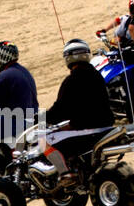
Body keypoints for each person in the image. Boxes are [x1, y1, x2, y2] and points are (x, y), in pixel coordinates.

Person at [41, 38, 115, 168]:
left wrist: (39, 118)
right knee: (62, 130)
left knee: (43, 141)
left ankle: (65, 174)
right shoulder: (96, 75)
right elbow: (84, 107)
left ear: (68, 58)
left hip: (88, 129)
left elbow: (59, 112)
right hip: (104, 124)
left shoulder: (71, 80)